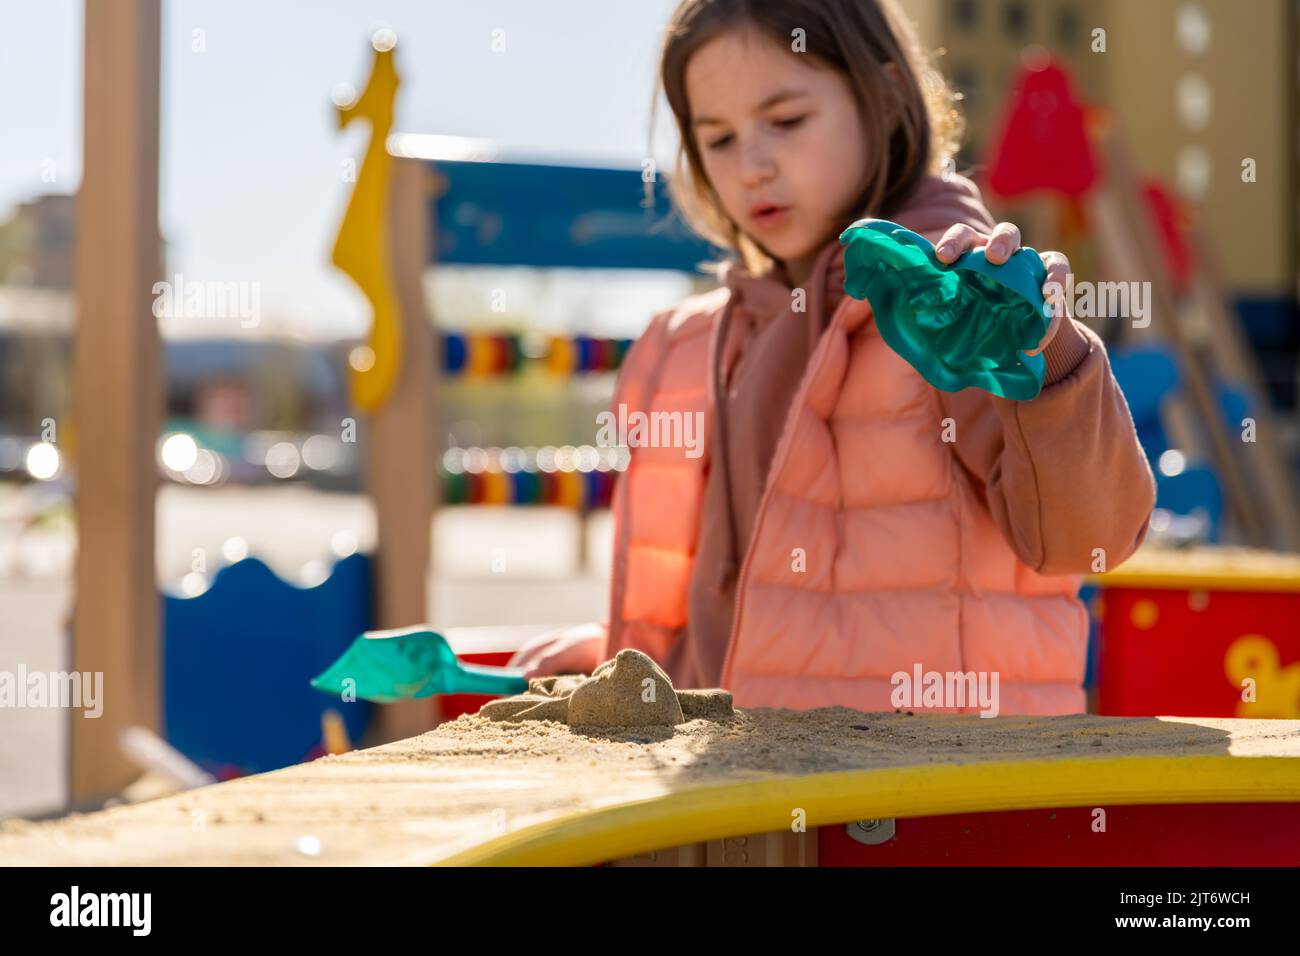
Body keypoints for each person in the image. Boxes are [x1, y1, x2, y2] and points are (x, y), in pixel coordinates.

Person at [510, 0, 1154, 715]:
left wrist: (1045, 354)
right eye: (717, 138)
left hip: (926, 800)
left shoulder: (947, 299)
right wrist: (626, 657)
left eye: (786, 121)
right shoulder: (708, 336)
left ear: (881, 99)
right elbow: (750, 592)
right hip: (739, 793)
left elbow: (1087, 538)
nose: (752, 166)